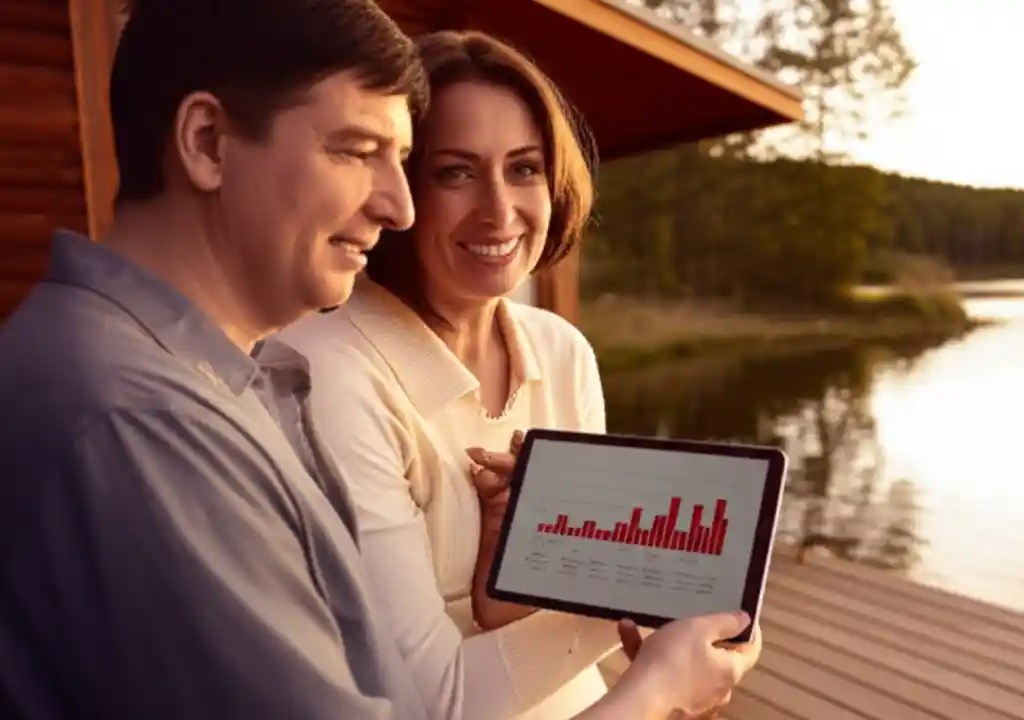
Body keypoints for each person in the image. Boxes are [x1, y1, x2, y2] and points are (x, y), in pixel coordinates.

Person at [0, 2, 758, 718]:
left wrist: (535, 586)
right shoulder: (143, 424)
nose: (398, 206)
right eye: (358, 151)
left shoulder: (224, 382)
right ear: (205, 142)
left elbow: (365, 676)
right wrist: (657, 669)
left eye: (400, 158)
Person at [276, 30, 763, 719]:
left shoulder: (561, 350)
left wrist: (531, 596)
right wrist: (665, 602)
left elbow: (531, 615)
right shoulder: (329, 373)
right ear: (399, 186)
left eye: (525, 168)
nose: (499, 210)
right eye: (456, 171)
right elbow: (430, 701)